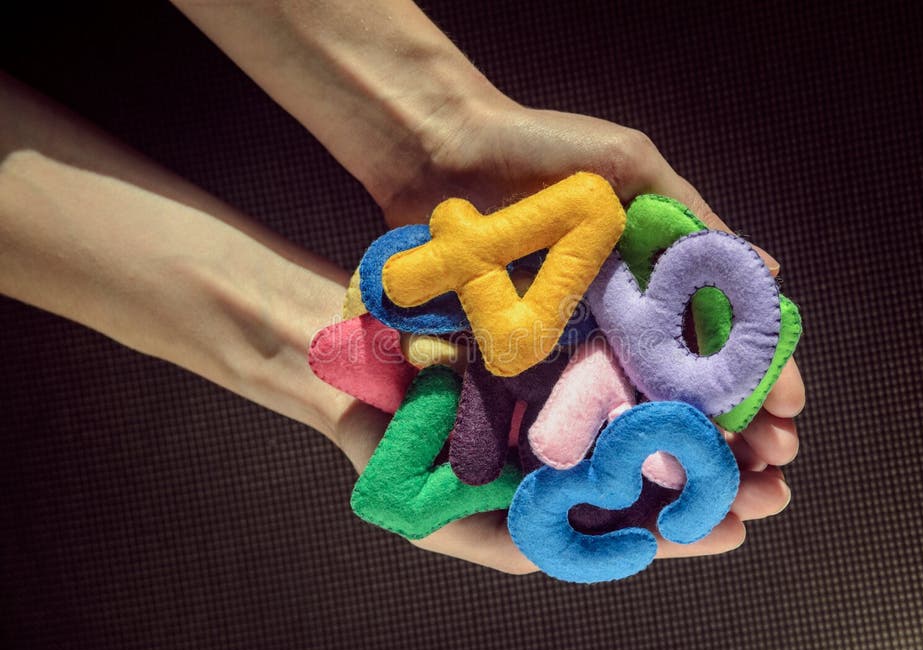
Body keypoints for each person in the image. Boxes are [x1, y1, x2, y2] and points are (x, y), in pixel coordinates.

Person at [0, 0, 804, 575]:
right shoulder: (551, 337)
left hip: (483, 322)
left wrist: (435, 133)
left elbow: (526, 422)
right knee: (535, 327)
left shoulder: (587, 359)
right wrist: (433, 140)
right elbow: (575, 234)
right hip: (479, 304)